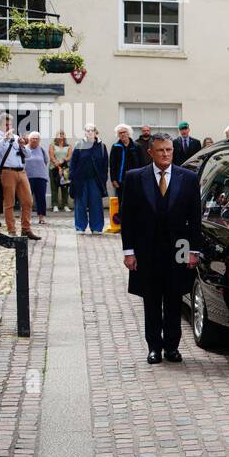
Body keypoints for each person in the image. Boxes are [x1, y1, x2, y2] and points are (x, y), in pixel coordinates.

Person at [121, 135, 202, 364]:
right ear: (151, 152)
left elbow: (195, 218)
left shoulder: (188, 178)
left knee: (175, 299)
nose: (165, 154)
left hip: (178, 248)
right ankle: (154, 347)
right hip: (147, 249)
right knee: (152, 300)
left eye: (169, 150)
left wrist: (193, 250)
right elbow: (128, 218)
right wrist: (129, 252)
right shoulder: (135, 178)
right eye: (160, 151)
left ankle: (172, 347)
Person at [0, 126, 38, 239]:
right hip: (7, 171)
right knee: (9, 202)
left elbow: (28, 154)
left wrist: (22, 145)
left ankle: (26, 229)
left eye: (9, 124)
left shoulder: (16, 137)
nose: (8, 126)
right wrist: (4, 140)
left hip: (21, 171)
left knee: (28, 201)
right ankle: (11, 230)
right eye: (5, 124)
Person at [70, 125, 108, 234]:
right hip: (80, 180)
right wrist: (73, 177)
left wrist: (104, 179)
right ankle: (80, 227)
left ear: (96, 132)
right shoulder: (79, 144)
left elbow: (105, 165)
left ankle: (96, 228)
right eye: (87, 131)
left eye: (92, 131)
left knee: (96, 204)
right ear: (84, 133)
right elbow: (73, 162)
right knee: (80, 204)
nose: (90, 132)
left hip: (95, 180)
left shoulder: (101, 146)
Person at [110, 125, 145, 207]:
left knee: (135, 202)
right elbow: (112, 165)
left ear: (128, 133)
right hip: (120, 180)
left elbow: (142, 164)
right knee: (122, 203)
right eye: (120, 133)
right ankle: (123, 219)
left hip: (135, 179)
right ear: (118, 135)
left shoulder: (137, 146)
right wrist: (113, 180)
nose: (122, 134)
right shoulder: (115, 147)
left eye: (124, 132)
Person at [25, 131, 51, 224]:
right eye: (33, 138)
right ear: (29, 139)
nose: (35, 140)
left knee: (41, 198)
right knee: (27, 198)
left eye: (37, 139)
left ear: (39, 140)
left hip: (41, 177)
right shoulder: (24, 149)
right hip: (27, 177)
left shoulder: (42, 150)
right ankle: (25, 218)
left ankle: (41, 217)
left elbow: (46, 161)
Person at [50, 130, 72, 212]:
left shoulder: (68, 146)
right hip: (54, 168)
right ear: (56, 136)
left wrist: (62, 163)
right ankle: (55, 205)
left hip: (65, 169)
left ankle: (65, 205)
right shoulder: (52, 145)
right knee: (54, 187)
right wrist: (58, 166)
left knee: (65, 187)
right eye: (60, 134)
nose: (61, 135)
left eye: (63, 134)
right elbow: (52, 157)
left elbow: (69, 157)